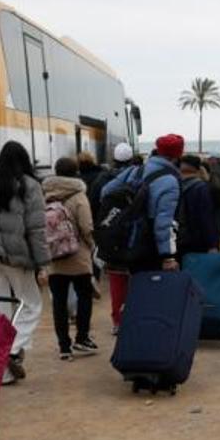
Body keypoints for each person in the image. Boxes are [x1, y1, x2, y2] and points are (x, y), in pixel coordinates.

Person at [0, 141, 49, 384]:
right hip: (17, 255)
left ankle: (4, 374)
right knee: (31, 304)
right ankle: (12, 349)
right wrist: (42, 263)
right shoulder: (29, 185)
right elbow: (36, 228)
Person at [101, 134, 183, 273]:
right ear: (177, 155)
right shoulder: (170, 181)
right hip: (149, 244)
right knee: (150, 284)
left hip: (126, 238)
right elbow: (163, 222)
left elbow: (105, 192)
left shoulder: (135, 170)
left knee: (132, 283)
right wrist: (167, 256)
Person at [42, 156, 98, 361]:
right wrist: (91, 246)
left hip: (54, 257)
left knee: (59, 302)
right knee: (84, 296)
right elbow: (86, 226)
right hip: (78, 255)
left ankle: (64, 347)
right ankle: (82, 338)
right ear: (76, 172)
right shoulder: (79, 195)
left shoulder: (46, 195)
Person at [90, 143, 136, 334]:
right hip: (133, 239)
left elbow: (94, 206)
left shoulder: (102, 180)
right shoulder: (137, 177)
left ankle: (118, 321)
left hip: (110, 238)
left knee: (116, 282)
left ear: (114, 159)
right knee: (135, 282)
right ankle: (134, 318)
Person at [176, 155, 220, 256]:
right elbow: (206, 217)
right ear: (198, 169)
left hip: (178, 239)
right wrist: (212, 245)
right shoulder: (201, 188)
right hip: (197, 240)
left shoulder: (174, 185)